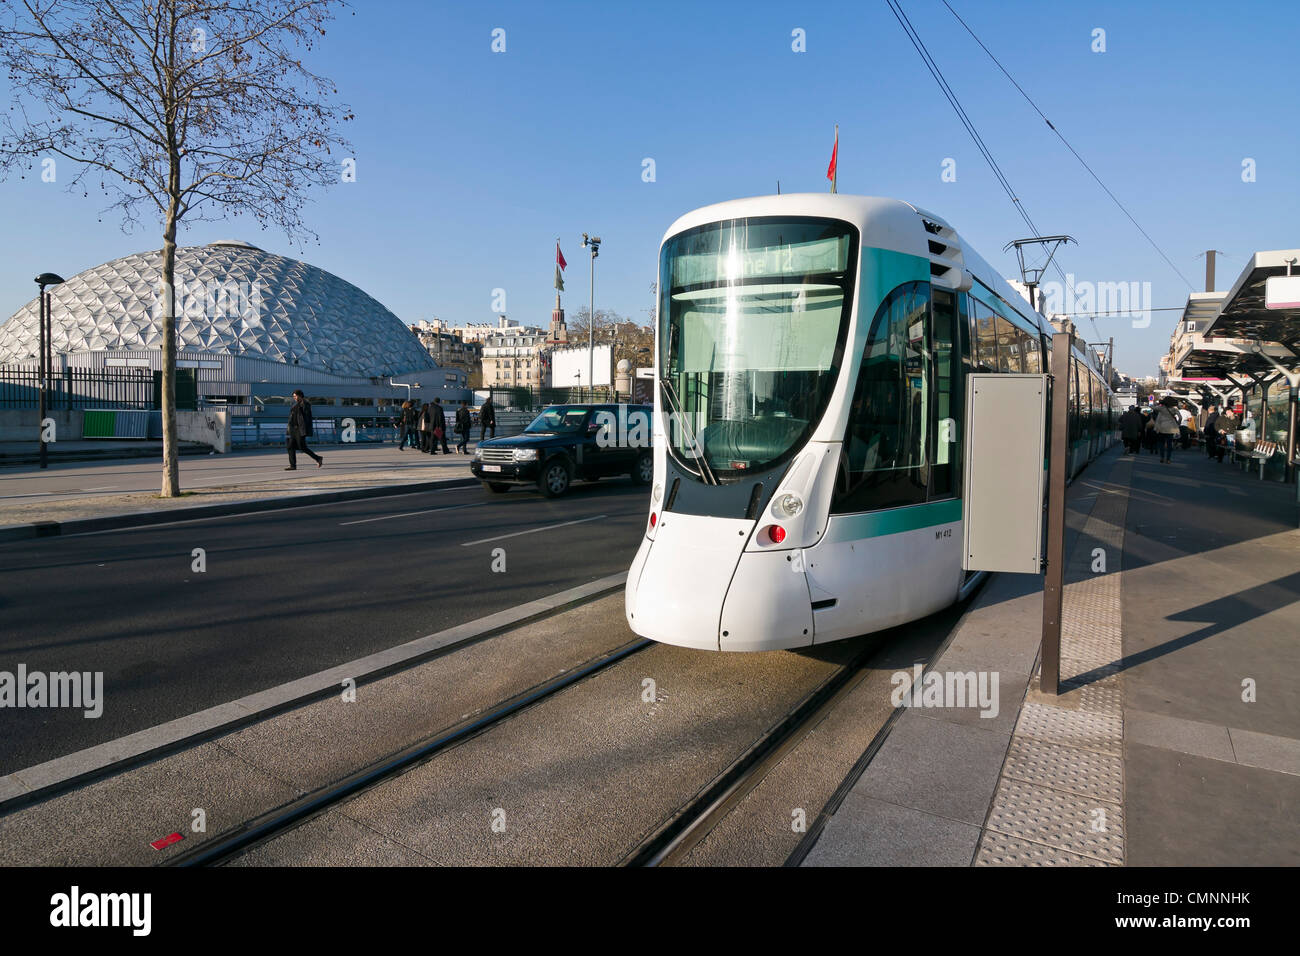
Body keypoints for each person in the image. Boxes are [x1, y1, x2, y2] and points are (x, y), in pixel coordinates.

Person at [285, 389, 323, 470]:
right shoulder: (294, 405)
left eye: (295, 396)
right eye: (293, 396)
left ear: (300, 395)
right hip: (293, 429)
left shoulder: (305, 404)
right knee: (290, 447)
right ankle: (293, 466)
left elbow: (306, 417)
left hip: (300, 429)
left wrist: (304, 429)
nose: (294, 398)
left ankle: (318, 458)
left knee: (302, 447)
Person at [1152, 397, 1181, 464]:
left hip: (1161, 428)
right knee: (1169, 444)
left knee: (1161, 443)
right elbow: (1180, 417)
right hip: (1170, 429)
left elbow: (1152, 407)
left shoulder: (1161, 408)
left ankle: (1162, 457)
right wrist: (1178, 423)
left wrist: (1158, 403)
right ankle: (1168, 459)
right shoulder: (1174, 409)